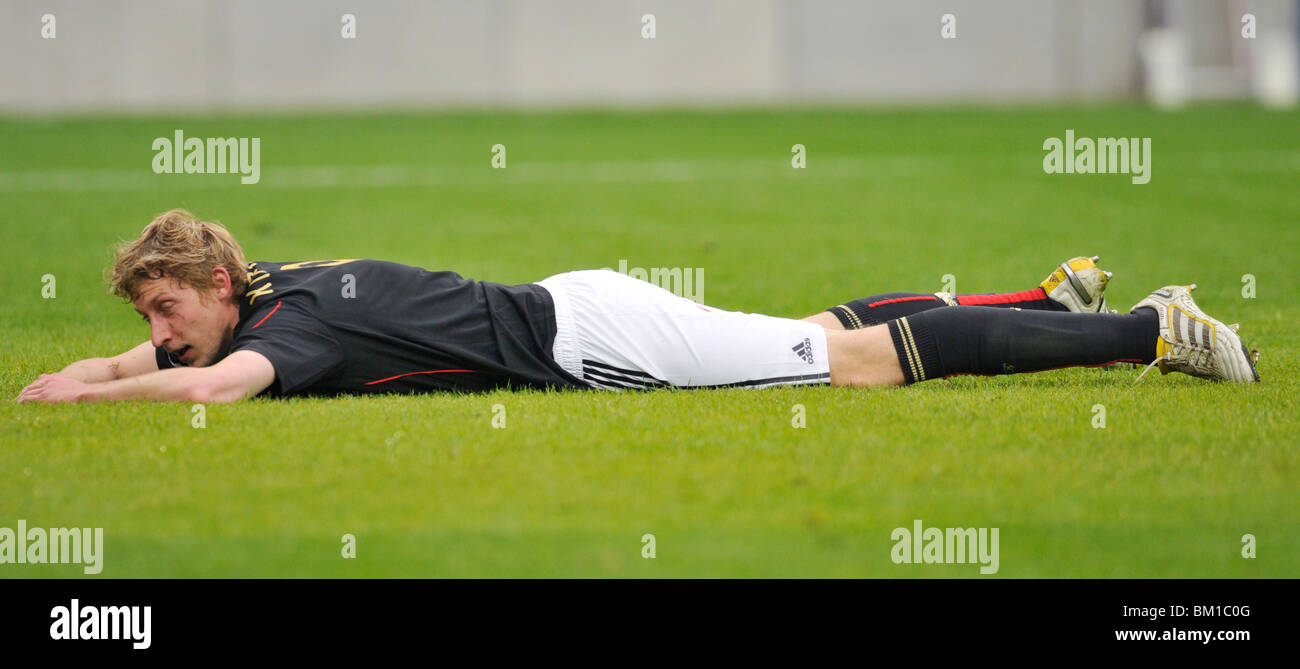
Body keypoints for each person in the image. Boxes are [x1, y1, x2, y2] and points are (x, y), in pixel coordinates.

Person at [15, 210, 1259, 404]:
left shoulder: (284, 336)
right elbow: (173, 354)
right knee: (818, 331)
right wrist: (87, 374)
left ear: (221, 287)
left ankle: (1150, 329)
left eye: (170, 307)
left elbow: (212, 384)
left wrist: (78, 404)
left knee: (859, 365)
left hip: (600, 343)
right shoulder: (284, 289)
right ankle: (1045, 298)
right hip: (580, 305)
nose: (163, 332)